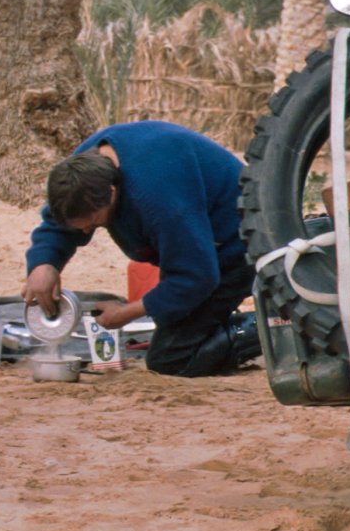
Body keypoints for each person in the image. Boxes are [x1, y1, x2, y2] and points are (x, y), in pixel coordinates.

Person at [22, 120, 261, 377]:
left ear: (112, 194)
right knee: (171, 317)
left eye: (92, 224)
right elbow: (60, 224)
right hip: (196, 242)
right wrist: (43, 265)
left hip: (242, 242)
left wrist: (127, 313)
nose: (83, 232)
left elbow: (196, 276)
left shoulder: (156, 198)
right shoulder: (85, 171)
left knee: (172, 358)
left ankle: (269, 327)